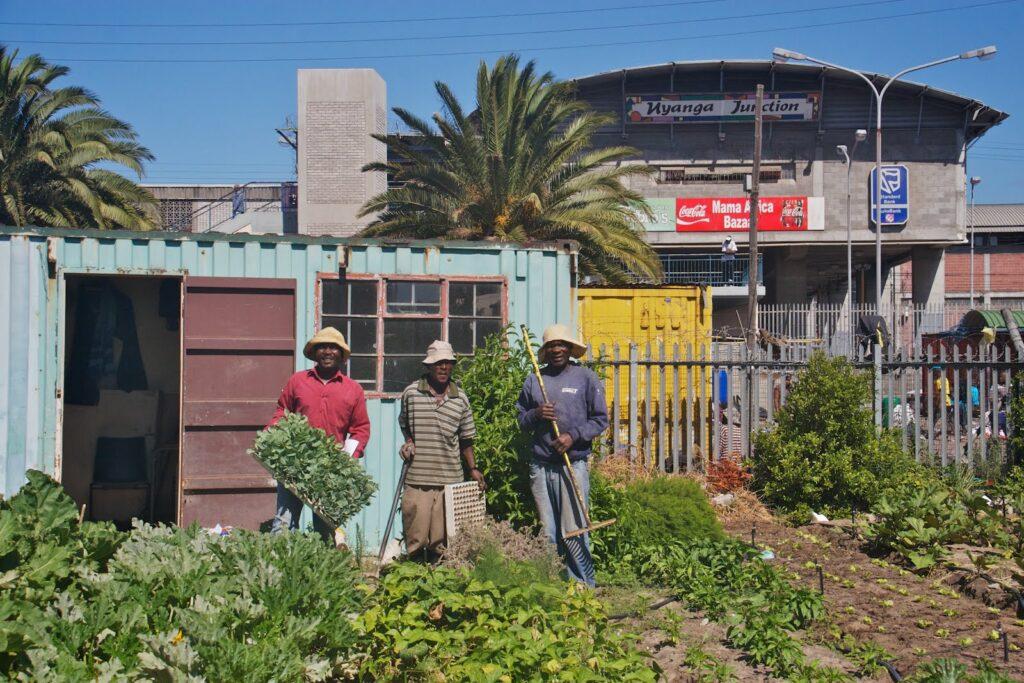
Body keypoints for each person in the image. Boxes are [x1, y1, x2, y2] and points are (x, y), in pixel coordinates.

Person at [516, 324, 608, 587]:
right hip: (541, 466)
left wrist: (573, 436)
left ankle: (582, 587)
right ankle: (552, 585)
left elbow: (600, 420)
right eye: (551, 346)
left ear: (569, 349)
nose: (557, 350)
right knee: (548, 532)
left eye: (562, 345)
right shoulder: (535, 380)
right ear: (545, 351)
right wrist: (536, 414)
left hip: (573, 465)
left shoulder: (585, 378)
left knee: (574, 530)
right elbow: (521, 419)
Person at [267, 327, 370, 541]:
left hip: (329, 469)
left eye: (333, 347)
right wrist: (272, 434)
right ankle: (278, 569)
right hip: (295, 463)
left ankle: (322, 571)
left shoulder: (353, 389)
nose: (327, 351)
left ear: (341, 355)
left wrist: (349, 456)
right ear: (315, 353)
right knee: (284, 522)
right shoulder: (298, 381)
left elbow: (360, 429)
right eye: (322, 346)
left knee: (325, 528)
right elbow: (282, 412)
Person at [398, 340, 485, 562]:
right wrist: (409, 441)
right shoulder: (411, 393)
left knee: (442, 541)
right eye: (438, 363)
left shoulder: (460, 399)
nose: (443, 368)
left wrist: (473, 468)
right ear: (429, 366)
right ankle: (413, 580)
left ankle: (440, 585)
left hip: (449, 479)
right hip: (417, 477)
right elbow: (405, 423)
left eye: (448, 363)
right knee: (416, 537)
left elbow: (466, 439)